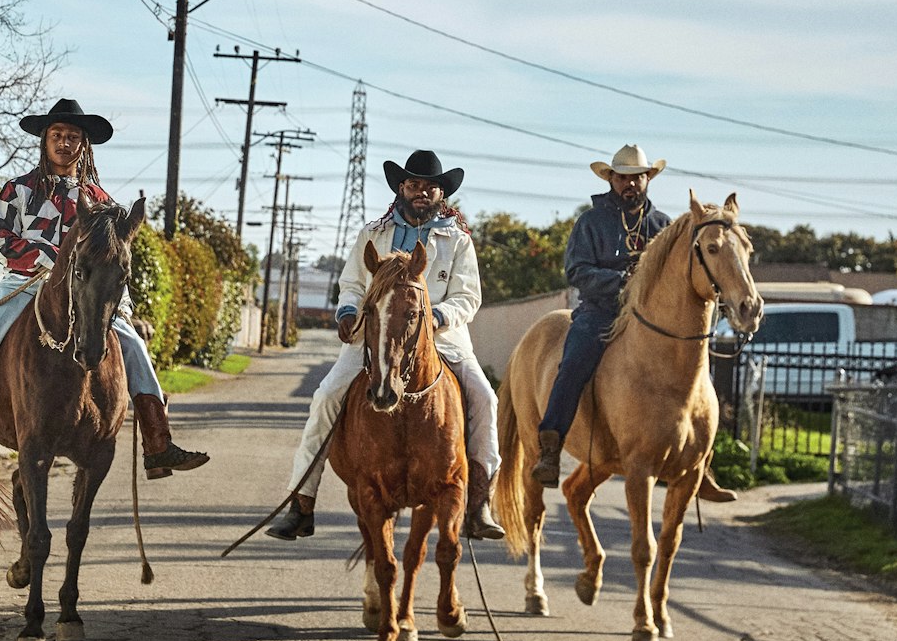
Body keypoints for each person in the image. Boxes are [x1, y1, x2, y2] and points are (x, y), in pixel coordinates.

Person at [0, 98, 210, 483]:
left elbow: (114, 260)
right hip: (22, 284)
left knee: (135, 347)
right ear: (45, 141)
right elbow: (0, 242)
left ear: (83, 145)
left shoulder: (103, 203)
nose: (65, 143)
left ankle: (158, 443)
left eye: (72, 137)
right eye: (57, 135)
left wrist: (119, 306)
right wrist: (45, 258)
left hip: (85, 294)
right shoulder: (17, 191)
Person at [266, 149, 505, 542]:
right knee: (326, 396)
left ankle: (479, 502)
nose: (422, 193)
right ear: (401, 188)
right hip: (374, 337)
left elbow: (468, 297)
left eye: (430, 187)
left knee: (485, 398)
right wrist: (347, 313)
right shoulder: (372, 234)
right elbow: (352, 285)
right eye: (414, 185)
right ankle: (302, 502)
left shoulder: (458, 241)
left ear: (441, 195)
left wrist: (435, 318)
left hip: (441, 342)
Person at [531, 144, 671, 488]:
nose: (630, 184)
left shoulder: (663, 225)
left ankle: (700, 454)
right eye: (623, 178)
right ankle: (551, 447)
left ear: (648, 179)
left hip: (652, 318)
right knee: (574, 362)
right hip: (601, 311)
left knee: (693, 365)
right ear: (611, 179)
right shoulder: (590, 222)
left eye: (637, 177)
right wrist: (620, 281)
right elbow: (576, 271)